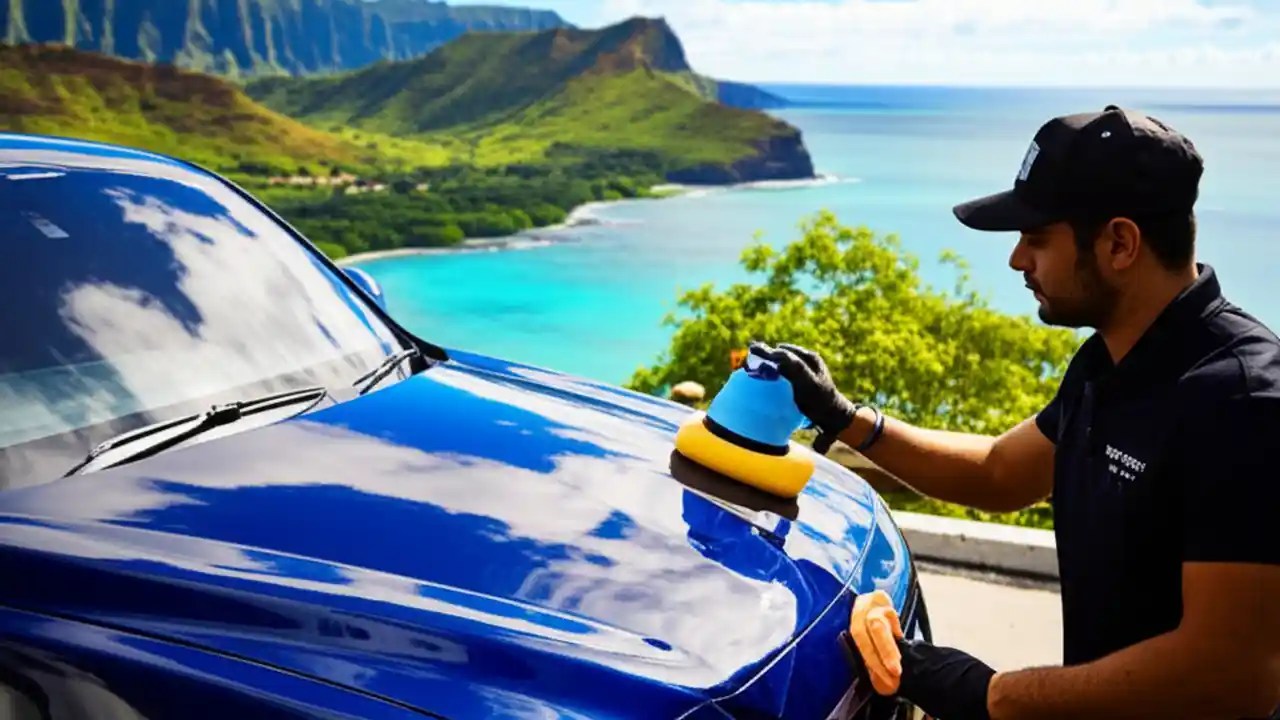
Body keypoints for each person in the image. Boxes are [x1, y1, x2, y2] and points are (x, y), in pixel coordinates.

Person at [754, 105, 1280, 719]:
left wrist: (991, 695)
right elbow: (1001, 472)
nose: (1016, 260)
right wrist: (846, 418)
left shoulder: (1242, 402)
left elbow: (1235, 673)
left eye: (1036, 238)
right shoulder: (1108, 360)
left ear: (1119, 243)